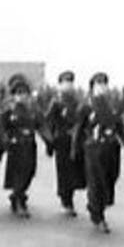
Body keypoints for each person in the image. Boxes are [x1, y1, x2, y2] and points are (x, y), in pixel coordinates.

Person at [72, 72, 124, 233]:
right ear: (92, 87)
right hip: (94, 149)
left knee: (110, 179)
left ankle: (98, 206)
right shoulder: (86, 106)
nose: (102, 87)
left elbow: (120, 127)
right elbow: (78, 130)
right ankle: (98, 216)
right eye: (98, 84)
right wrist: (75, 149)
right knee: (96, 182)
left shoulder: (112, 106)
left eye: (104, 83)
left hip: (111, 149)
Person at [44, 70, 86, 216]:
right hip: (61, 140)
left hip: (75, 141)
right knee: (64, 172)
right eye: (65, 82)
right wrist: (49, 142)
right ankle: (66, 200)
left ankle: (70, 197)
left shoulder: (78, 101)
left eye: (70, 82)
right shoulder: (56, 102)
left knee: (75, 171)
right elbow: (48, 122)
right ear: (60, 84)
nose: (68, 85)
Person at [0, 74, 39, 217]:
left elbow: (42, 126)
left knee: (29, 173)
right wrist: (1, 146)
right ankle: (18, 200)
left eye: (24, 93)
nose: (21, 97)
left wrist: (50, 142)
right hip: (15, 148)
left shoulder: (33, 111)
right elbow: (1, 129)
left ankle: (18, 196)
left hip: (29, 147)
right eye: (18, 94)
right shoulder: (9, 112)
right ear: (13, 96)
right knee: (18, 175)